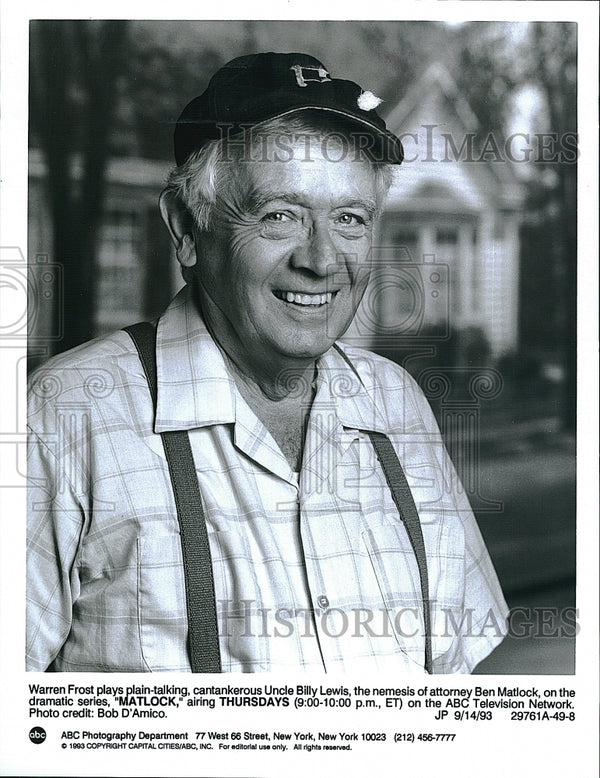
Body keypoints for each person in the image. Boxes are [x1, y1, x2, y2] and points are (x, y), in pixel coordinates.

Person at [27, 52, 507, 673]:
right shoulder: (67, 414)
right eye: (279, 215)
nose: (322, 259)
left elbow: (466, 692)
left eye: (350, 219)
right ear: (187, 230)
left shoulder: (396, 404)